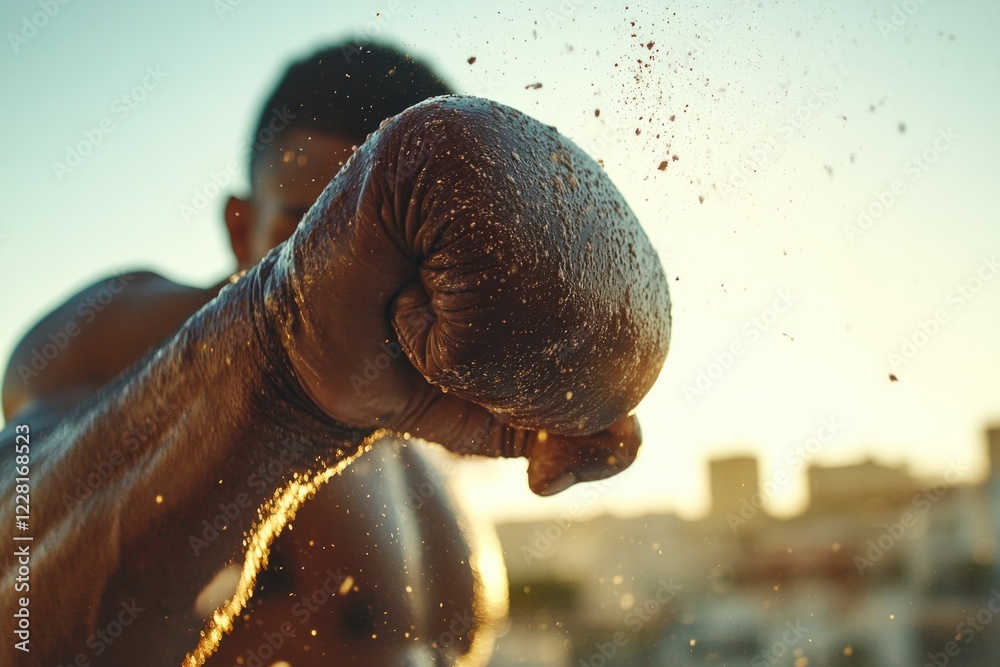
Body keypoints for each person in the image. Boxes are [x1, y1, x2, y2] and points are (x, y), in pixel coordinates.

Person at [0, 41, 657, 667]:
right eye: (306, 231)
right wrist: (278, 356)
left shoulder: (424, 425)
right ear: (239, 225)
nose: (355, 268)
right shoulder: (123, 342)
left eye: (395, 241)